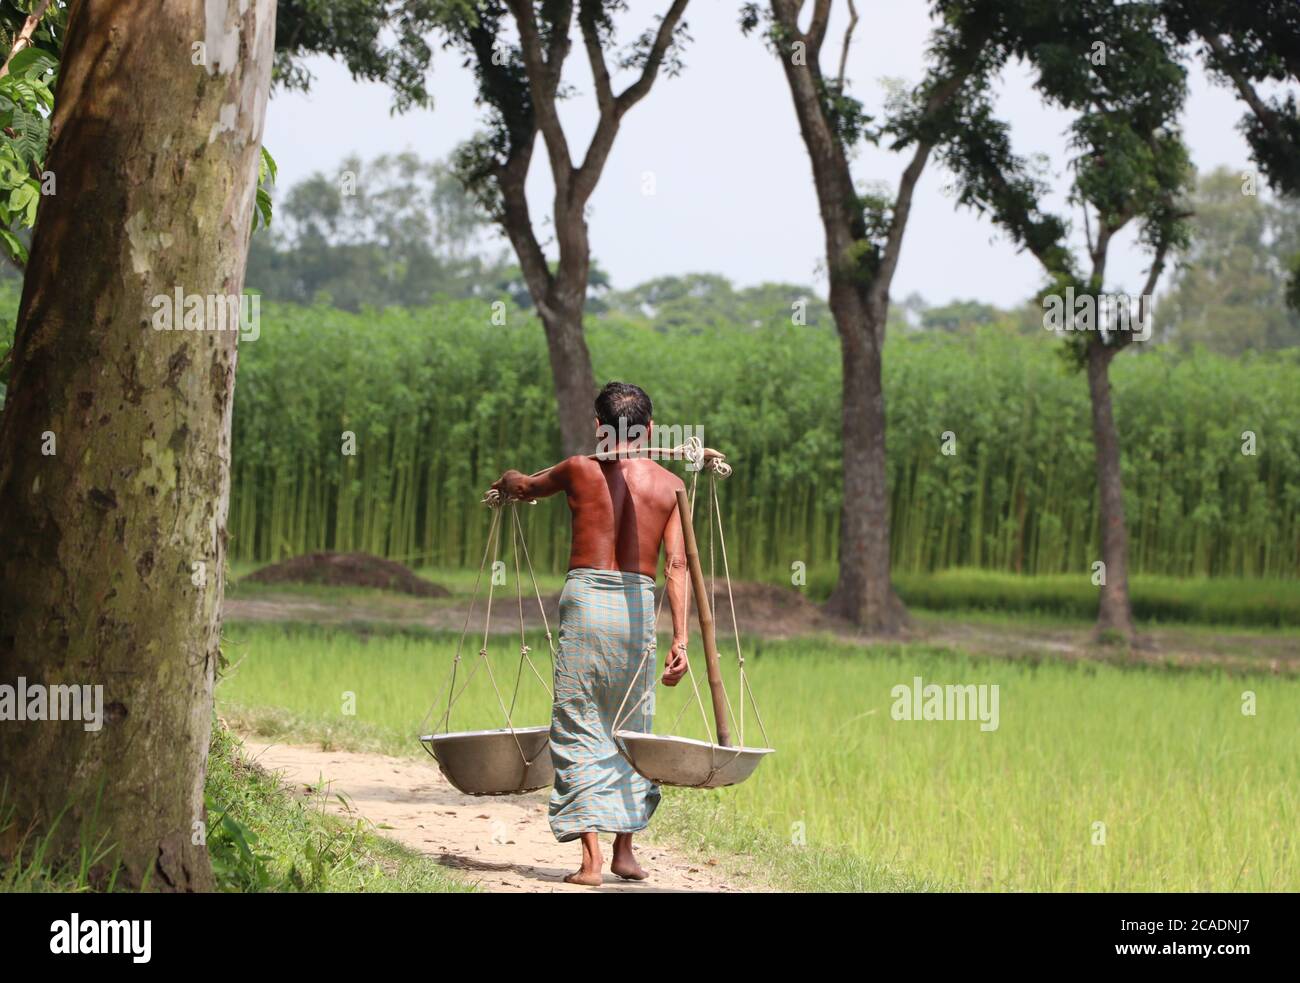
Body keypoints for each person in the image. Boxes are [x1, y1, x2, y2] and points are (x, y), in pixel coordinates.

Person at [490, 381, 690, 886]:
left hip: (586, 605)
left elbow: (525, 486)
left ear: (600, 428)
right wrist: (680, 639)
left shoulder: (578, 469)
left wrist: (507, 479)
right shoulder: (669, 484)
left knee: (580, 722)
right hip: (636, 610)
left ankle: (592, 862)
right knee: (631, 725)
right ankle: (626, 852)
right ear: (648, 430)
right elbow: (677, 565)